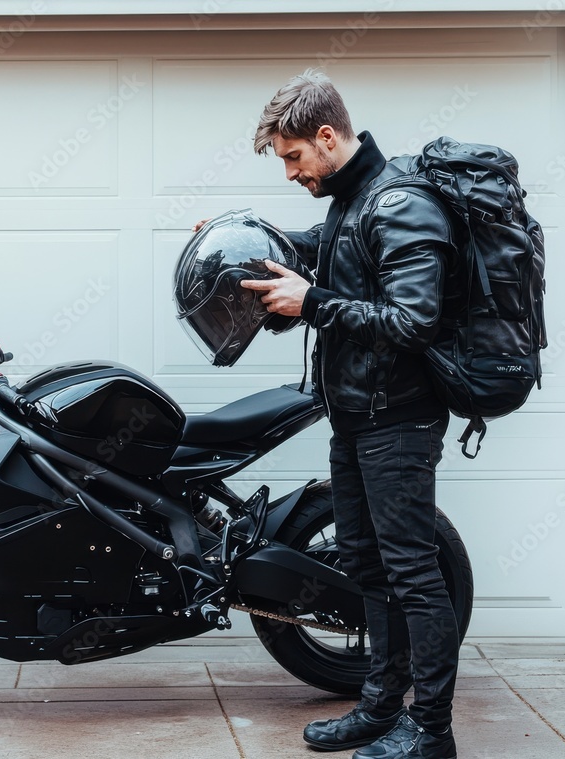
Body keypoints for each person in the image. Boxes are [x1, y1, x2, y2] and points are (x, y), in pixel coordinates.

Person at [200, 69, 463, 758]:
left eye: (293, 157)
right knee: (368, 568)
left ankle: (432, 730)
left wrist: (312, 304)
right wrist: (234, 238)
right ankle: (380, 707)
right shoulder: (350, 203)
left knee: (412, 573)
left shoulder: (400, 202)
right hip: (355, 419)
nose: (289, 172)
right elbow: (318, 255)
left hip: (399, 422)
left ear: (325, 136)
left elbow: (415, 319)